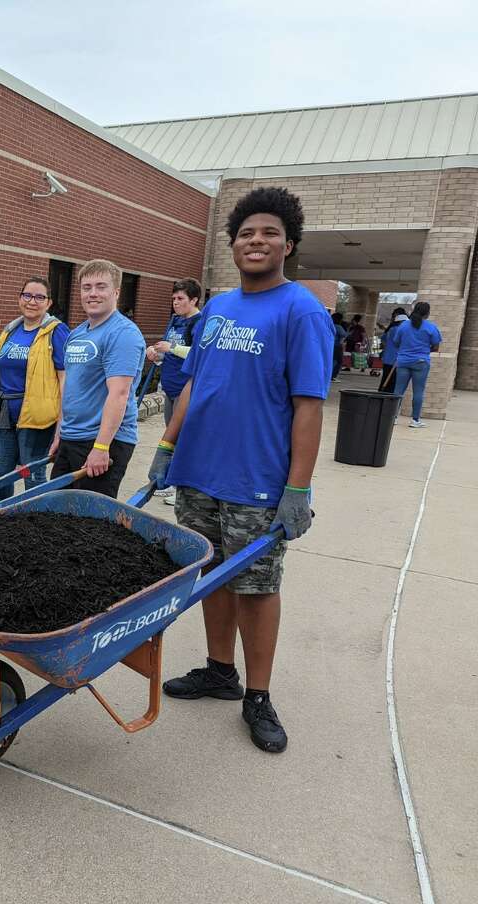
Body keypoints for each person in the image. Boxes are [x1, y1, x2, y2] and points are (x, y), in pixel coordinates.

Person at [148, 186, 333, 754]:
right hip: (200, 471)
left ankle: (258, 694)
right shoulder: (219, 308)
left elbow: (308, 405)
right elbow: (196, 384)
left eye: (269, 233)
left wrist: (297, 487)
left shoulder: (301, 311)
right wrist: (167, 446)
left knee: (256, 587)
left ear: (289, 244)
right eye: (247, 233)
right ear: (232, 244)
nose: (257, 241)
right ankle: (219, 671)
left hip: (258, 481)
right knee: (211, 576)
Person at [49, 259, 145, 498]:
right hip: (72, 437)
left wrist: (101, 447)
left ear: (116, 292)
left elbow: (119, 394)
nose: (92, 293)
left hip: (103, 441)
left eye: (101, 287)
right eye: (86, 287)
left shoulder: (123, 334)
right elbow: (72, 387)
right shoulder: (77, 333)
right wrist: (60, 433)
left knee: (90, 522)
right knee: (54, 512)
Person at [0, 277, 69, 501]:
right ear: (19, 298)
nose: (32, 301)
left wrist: (62, 421)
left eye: (40, 297)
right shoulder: (10, 331)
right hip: (4, 415)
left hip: (37, 417)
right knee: (0, 473)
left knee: (32, 473)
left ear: (49, 303)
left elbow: (65, 379)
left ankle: (35, 521)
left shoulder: (56, 332)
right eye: (27, 295)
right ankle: (2, 516)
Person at [145, 278, 203, 503]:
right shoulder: (175, 321)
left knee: (182, 438)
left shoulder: (199, 323)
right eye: (174, 299)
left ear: (194, 299)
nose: (176, 303)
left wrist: (173, 348)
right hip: (169, 386)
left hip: (185, 389)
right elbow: (168, 352)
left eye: (180, 299)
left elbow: (199, 354)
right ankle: (172, 481)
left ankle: (179, 489)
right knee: (172, 436)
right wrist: (156, 354)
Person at [390, 301, 442, 428]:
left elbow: (396, 342)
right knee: (418, 391)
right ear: (427, 313)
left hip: (403, 361)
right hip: (421, 362)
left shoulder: (403, 326)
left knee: (398, 390)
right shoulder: (431, 327)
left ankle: (393, 417)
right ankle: (415, 420)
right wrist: (423, 351)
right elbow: (436, 347)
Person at [377, 307, 407, 392]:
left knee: (385, 380)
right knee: (391, 383)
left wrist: (387, 348)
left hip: (388, 359)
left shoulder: (391, 329)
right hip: (395, 360)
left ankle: (381, 395)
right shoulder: (398, 330)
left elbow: (383, 340)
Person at [330, 312, 346, 382]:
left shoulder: (330, 325)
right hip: (337, 346)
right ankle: (333, 376)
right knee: (339, 361)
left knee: (331, 360)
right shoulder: (339, 327)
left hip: (330, 346)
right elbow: (342, 338)